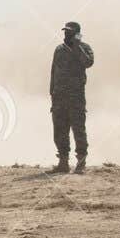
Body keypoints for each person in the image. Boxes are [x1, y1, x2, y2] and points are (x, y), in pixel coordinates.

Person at [48, 20, 93, 173]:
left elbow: (88, 62)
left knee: (78, 130)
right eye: (65, 31)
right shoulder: (59, 50)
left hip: (76, 97)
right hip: (59, 97)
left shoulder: (84, 48)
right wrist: (52, 93)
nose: (66, 34)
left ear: (76, 33)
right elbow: (53, 72)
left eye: (69, 32)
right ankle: (63, 162)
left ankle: (81, 163)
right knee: (59, 130)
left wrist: (77, 45)